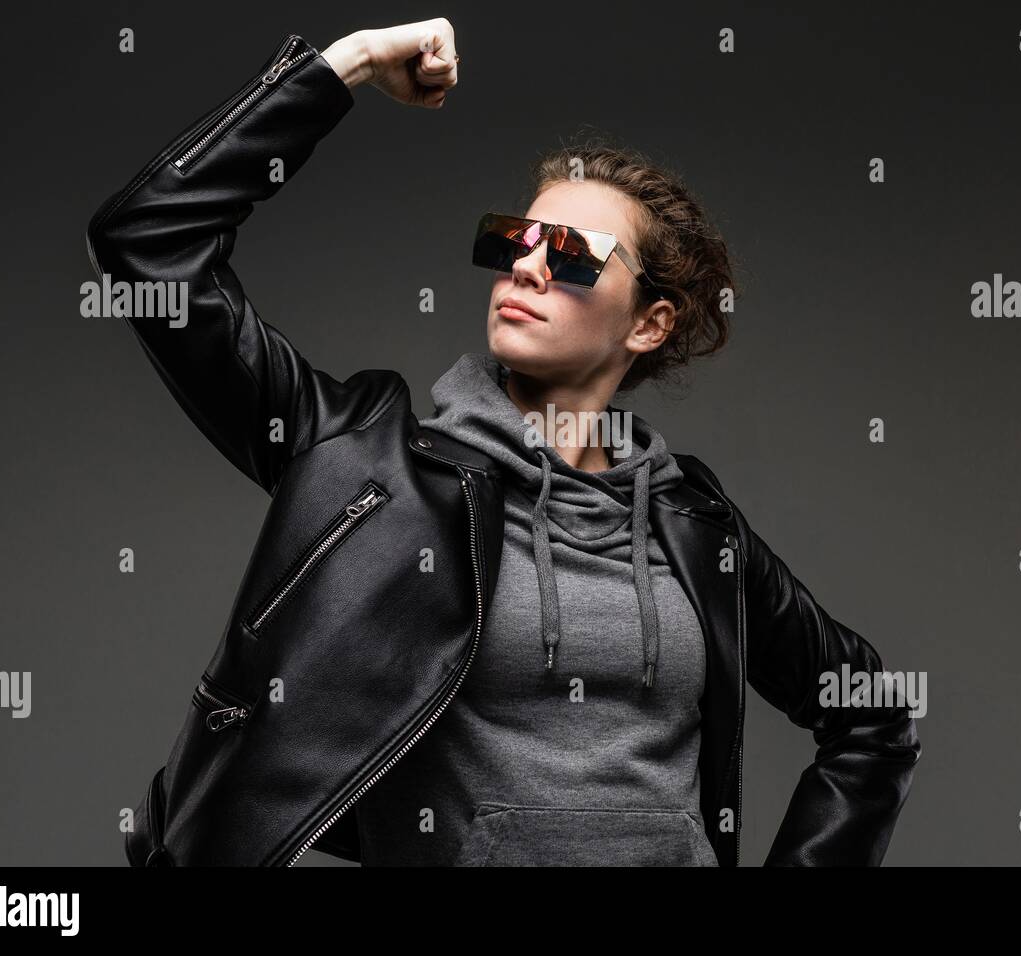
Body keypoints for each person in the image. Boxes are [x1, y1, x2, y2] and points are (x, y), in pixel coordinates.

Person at [89, 17, 921, 867]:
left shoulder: (697, 525)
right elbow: (149, 243)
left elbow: (872, 716)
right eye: (513, 240)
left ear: (649, 322)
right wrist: (350, 66)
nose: (524, 266)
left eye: (568, 256)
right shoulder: (372, 467)